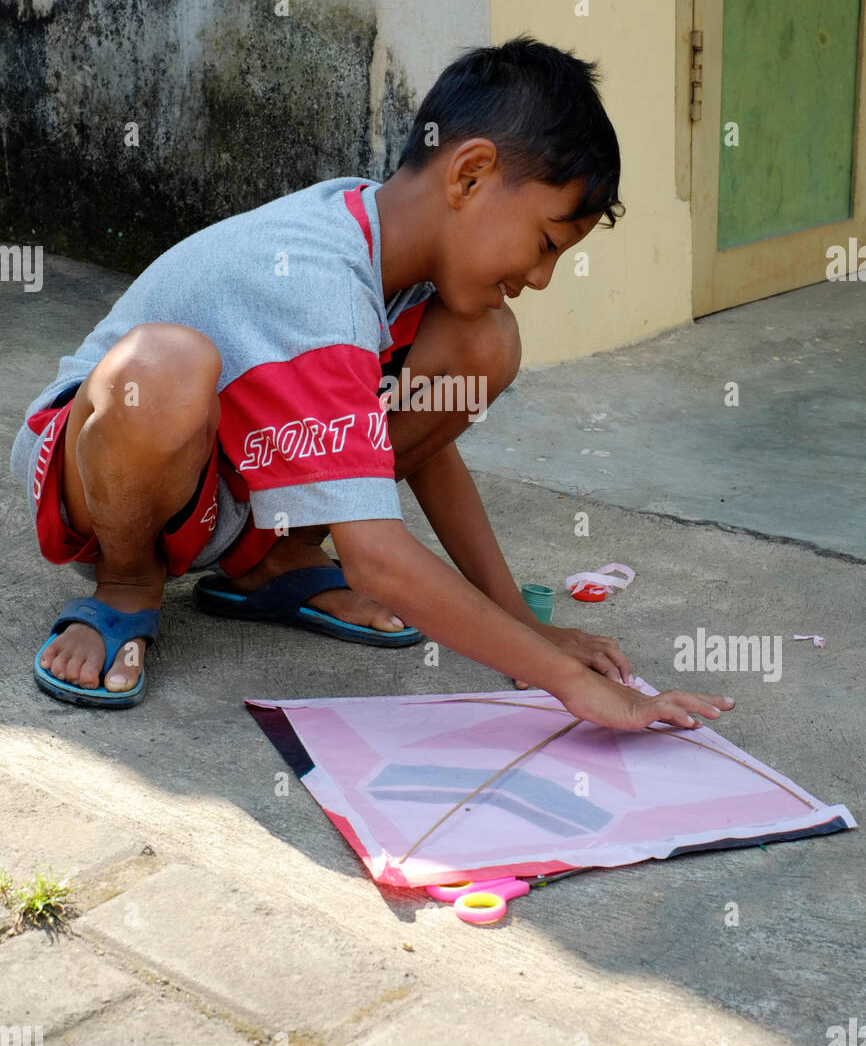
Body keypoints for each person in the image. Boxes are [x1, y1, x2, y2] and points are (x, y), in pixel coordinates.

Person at [11, 35, 734, 732]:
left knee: (484, 338)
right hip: (95, 477)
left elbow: (405, 450)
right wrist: (567, 682)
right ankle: (127, 586)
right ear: (469, 174)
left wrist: (522, 624)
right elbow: (378, 561)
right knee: (165, 372)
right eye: (545, 243)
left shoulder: (389, 243)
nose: (540, 278)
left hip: (227, 484)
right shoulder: (316, 281)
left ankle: (268, 564)